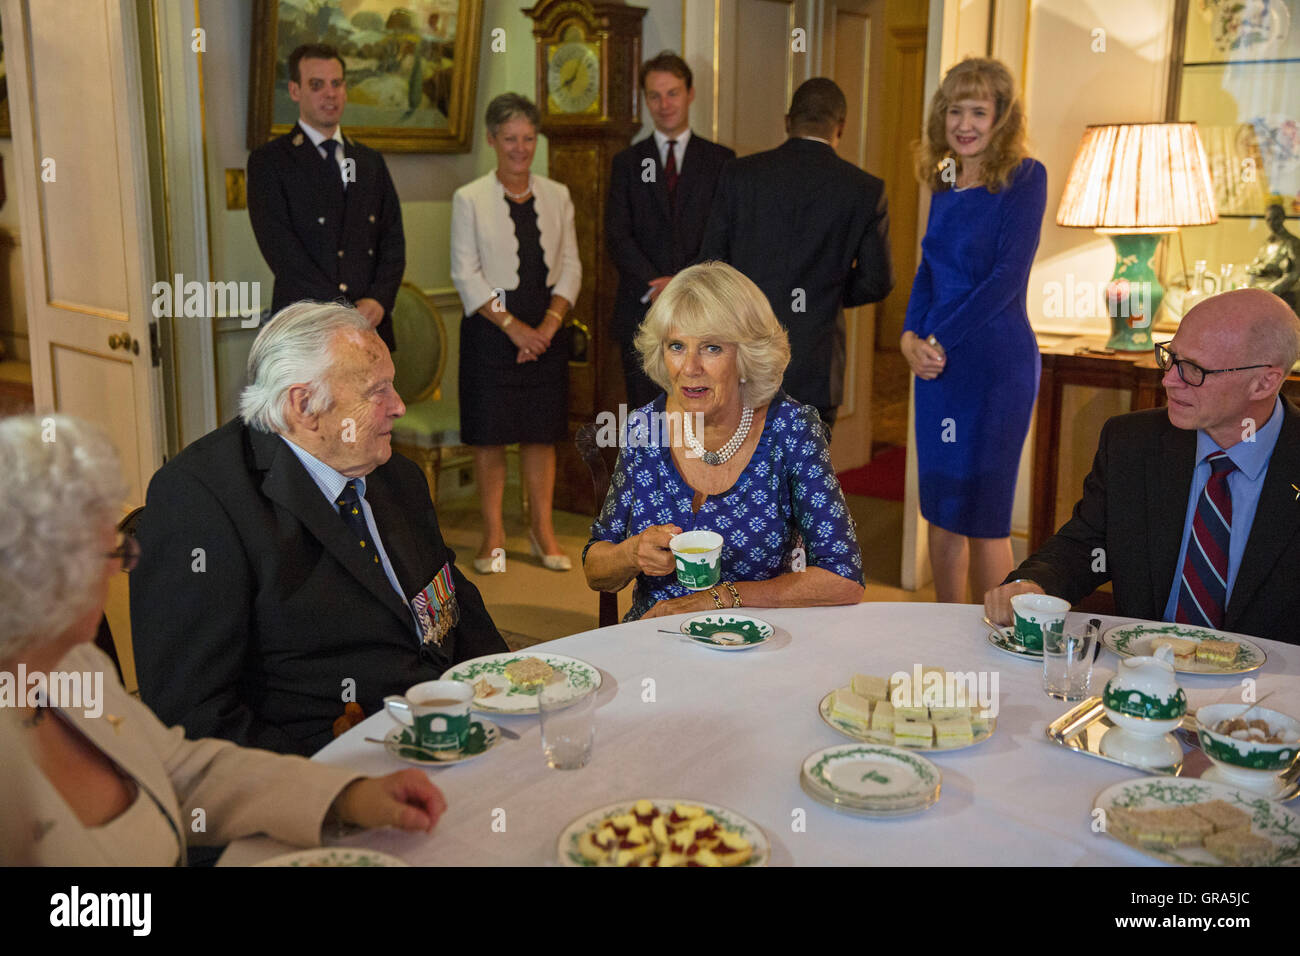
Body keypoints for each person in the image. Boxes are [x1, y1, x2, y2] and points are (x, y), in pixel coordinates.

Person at [0, 415, 446, 865]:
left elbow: (178, 770)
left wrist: (345, 796)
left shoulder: (71, 666)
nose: (119, 569)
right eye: (107, 553)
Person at [131, 303, 507, 756]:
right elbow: (192, 713)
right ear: (304, 405)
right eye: (378, 391)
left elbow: (451, 599)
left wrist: (510, 692)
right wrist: (329, 790)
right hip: (325, 763)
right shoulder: (201, 502)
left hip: (446, 729)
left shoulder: (393, 473)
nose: (400, 407)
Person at [985, 289, 1300, 645]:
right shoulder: (1132, 442)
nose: (1169, 379)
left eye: (1194, 369)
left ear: (1264, 382)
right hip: (1146, 672)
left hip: (1274, 686)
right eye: (1171, 357)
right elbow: (1087, 546)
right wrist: (1032, 583)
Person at [583, 262, 865, 620]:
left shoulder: (791, 429)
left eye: (712, 348)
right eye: (676, 346)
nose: (689, 367)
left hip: (757, 642)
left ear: (746, 356)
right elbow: (596, 569)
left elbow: (844, 577)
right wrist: (631, 553)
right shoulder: (645, 427)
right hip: (657, 642)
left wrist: (720, 598)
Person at [902, 57, 1047, 604]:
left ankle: (999, 638)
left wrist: (937, 339)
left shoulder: (1025, 177)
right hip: (936, 365)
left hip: (995, 365)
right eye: (955, 110)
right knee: (940, 506)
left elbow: (1007, 277)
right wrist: (909, 337)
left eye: (979, 112)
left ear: (1001, 118)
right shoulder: (943, 176)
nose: (964, 124)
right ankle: (946, 632)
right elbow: (929, 266)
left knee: (985, 514)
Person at [698, 77, 893, 431]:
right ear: (841, 126)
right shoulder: (865, 190)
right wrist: (828, 292)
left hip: (742, 362)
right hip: (815, 368)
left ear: (788, 121)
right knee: (803, 483)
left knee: (741, 481)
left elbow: (711, 266)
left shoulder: (740, 175)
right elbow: (878, 281)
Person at [450, 93, 581, 573]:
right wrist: (515, 329)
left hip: (547, 324)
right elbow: (465, 274)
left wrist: (546, 326)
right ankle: (494, 535)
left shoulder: (558, 194)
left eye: (528, 138)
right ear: (491, 140)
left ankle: (542, 529)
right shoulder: (470, 198)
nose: (520, 148)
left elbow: (571, 265)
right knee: (490, 437)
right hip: (491, 329)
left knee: (540, 435)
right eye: (510, 139)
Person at [247, 43, 405, 350]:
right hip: (307, 330)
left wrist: (379, 300)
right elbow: (283, 254)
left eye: (337, 84)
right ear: (295, 91)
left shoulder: (369, 161)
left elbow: (393, 241)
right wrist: (344, 314)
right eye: (316, 85)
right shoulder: (271, 162)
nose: (329, 94)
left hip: (372, 328)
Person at [606, 51, 735, 408]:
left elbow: (724, 234)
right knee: (647, 423)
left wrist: (680, 284)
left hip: (704, 311)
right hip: (642, 311)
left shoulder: (721, 161)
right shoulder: (627, 163)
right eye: (654, 95)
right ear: (644, 100)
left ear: (690, 93)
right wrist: (656, 284)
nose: (664, 104)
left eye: (673, 93)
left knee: (701, 418)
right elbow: (617, 235)